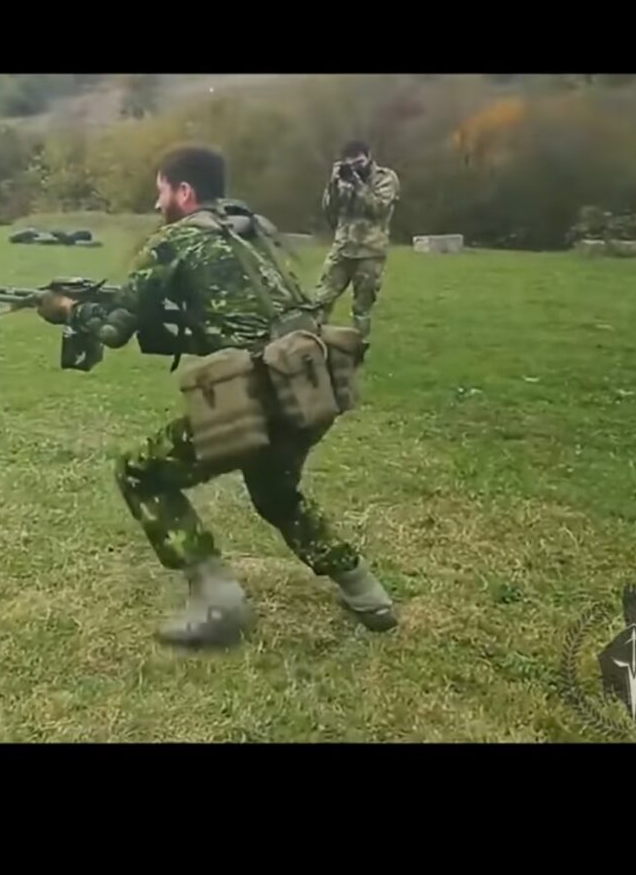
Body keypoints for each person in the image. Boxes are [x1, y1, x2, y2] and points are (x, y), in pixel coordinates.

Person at [35, 144, 398, 649]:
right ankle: (367, 593)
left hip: (258, 387)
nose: (157, 202)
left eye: (161, 189)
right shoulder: (250, 231)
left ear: (184, 191)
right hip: (312, 376)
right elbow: (243, 312)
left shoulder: (176, 239)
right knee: (276, 494)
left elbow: (115, 330)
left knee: (139, 472)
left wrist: (68, 310)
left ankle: (217, 600)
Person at [313, 140, 400, 338]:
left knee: (362, 307)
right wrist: (334, 184)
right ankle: (313, 343)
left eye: (358, 161)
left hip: (370, 251)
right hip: (342, 248)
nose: (355, 166)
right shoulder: (342, 178)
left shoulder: (385, 178)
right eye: (350, 162)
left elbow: (378, 208)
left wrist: (357, 184)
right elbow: (329, 210)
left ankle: (358, 348)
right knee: (321, 300)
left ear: (369, 157)